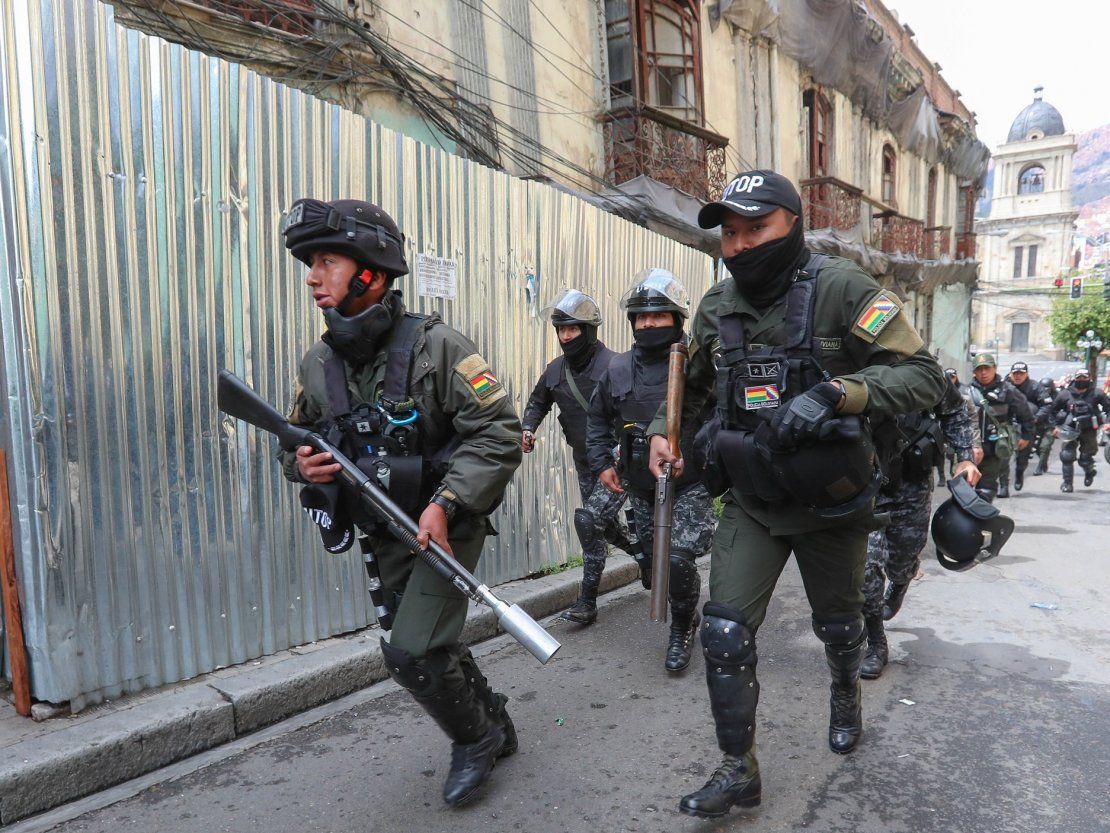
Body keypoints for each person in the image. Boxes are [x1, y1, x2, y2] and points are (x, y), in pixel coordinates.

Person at [648, 170, 946, 818]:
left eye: (756, 228)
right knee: (723, 632)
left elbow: (922, 376)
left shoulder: (842, 288)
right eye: (730, 233)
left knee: (838, 625)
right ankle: (738, 769)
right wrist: (659, 435)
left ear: (791, 225)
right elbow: (688, 393)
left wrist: (839, 392)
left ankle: (844, 688)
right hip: (753, 502)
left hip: (832, 503)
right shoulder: (716, 308)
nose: (741, 244)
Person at [277, 198, 523, 808]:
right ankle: (494, 715)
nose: (312, 276)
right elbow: (293, 442)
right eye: (309, 263)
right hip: (383, 527)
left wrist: (446, 503)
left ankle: (477, 739)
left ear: (374, 272)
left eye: (327, 261)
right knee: (426, 640)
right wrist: (302, 463)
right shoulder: (318, 363)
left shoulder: (438, 348)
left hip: (446, 521)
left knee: (409, 650)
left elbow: (498, 432)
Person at [585, 269, 714, 671]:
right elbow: (597, 418)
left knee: (678, 561)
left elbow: (722, 418)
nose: (648, 324)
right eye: (641, 318)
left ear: (676, 319)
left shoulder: (697, 367)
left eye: (657, 317)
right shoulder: (619, 369)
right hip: (640, 484)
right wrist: (603, 462)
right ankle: (658, 577)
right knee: (658, 565)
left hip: (689, 483)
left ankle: (681, 628)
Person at [520, 289, 646, 625]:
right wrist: (528, 428)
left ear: (589, 330)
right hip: (585, 460)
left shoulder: (617, 366)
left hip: (619, 458)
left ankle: (587, 601)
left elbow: (641, 410)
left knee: (589, 520)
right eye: (561, 330)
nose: (565, 336)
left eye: (572, 329)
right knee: (600, 525)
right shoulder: (555, 370)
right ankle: (643, 557)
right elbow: (537, 402)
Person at [860, 385, 981, 679]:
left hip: (911, 480)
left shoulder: (921, 368)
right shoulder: (847, 359)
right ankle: (875, 641)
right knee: (865, 567)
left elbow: (956, 410)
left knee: (902, 557)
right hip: (862, 483)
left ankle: (901, 581)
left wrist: (965, 455)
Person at [967, 354, 1033, 500]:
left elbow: (1026, 415)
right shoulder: (966, 393)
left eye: (987, 368)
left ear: (995, 368)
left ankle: (982, 521)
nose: (983, 373)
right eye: (979, 369)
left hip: (995, 448)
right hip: (969, 449)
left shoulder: (1008, 391)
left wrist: (1026, 436)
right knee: (964, 489)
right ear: (974, 372)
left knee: (986, 490)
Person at [1044, 369, 1110, 492]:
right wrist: (1055, 427)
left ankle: (1089, 472)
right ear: (1075, 379)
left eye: (1084, 378)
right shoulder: (1065, 394)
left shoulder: (1097, 393)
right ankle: (1067, 484)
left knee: (1085, 459)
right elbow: (1052, 411)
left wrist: (1108, 423)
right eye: (1079, 377)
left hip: (1089, 429)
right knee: (1067, 456)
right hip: (1069, 429)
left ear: (1089, 379)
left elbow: (1108, 408)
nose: (1081, 380)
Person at [1000, 361, 1047, 493]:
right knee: (1003, 456)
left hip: (1027, 426)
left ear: (1027, 374)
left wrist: (1036, 418)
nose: (1018, 376)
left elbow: (1047, 404)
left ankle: (1019, 474)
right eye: (1015, 373)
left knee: (1022, 458)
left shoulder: (1035, 387)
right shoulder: (1004, 387)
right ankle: (1004, 486)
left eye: (1021, 373)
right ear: (1010, 374)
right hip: (1007, 426)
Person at [1032, 376, 1059, 476]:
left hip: (1051, 425)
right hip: (1039, 424)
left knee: (1045, 446)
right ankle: (1044, 462)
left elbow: (1063, 411)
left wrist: (1058, 425)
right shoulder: (1037, 395)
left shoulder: (1058, 397)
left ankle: (1039, 467)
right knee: (1037, 447)